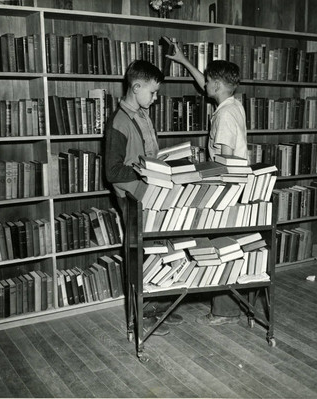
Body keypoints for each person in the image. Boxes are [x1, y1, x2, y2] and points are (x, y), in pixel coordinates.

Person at [167, 43, 248, 326]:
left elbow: (224, 160)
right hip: (235, 186)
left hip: (224, 187)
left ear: (216, 84)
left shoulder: (224, 115)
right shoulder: (232, 104)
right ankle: (227, 306)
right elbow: (207, 83)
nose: (205, 86)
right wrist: (183, 60)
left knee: (220, 247)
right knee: (225, 245)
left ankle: (226, 312)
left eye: (208, 81)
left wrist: (196, 175)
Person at [104, 59, 183, 335]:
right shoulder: (119, 121)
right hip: (133, 199)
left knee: (158, 251)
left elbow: (148, 150)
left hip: (151, 195)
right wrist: (147, 170)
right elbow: (113, 171)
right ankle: (142, 316)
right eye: (153, 92)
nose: (156, 97)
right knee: (140, 255)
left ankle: (158, 308)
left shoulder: (142, 113)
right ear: (136, 87)